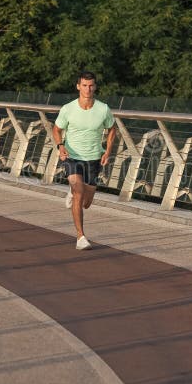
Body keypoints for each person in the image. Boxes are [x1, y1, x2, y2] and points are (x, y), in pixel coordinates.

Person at [52, 71, 116, 250]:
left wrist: (107, 151)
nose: (88, 89)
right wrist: (60, 146)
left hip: (94, 159)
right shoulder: (68, 109)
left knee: (86, 203)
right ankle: (80, 237)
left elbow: (112, 129)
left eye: (91, 85)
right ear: (78, 86)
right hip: (72, 157)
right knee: (79, 193)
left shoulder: (103, 109)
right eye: (84, 85)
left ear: (95, 87)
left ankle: (73, 192)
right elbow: (56, 129)